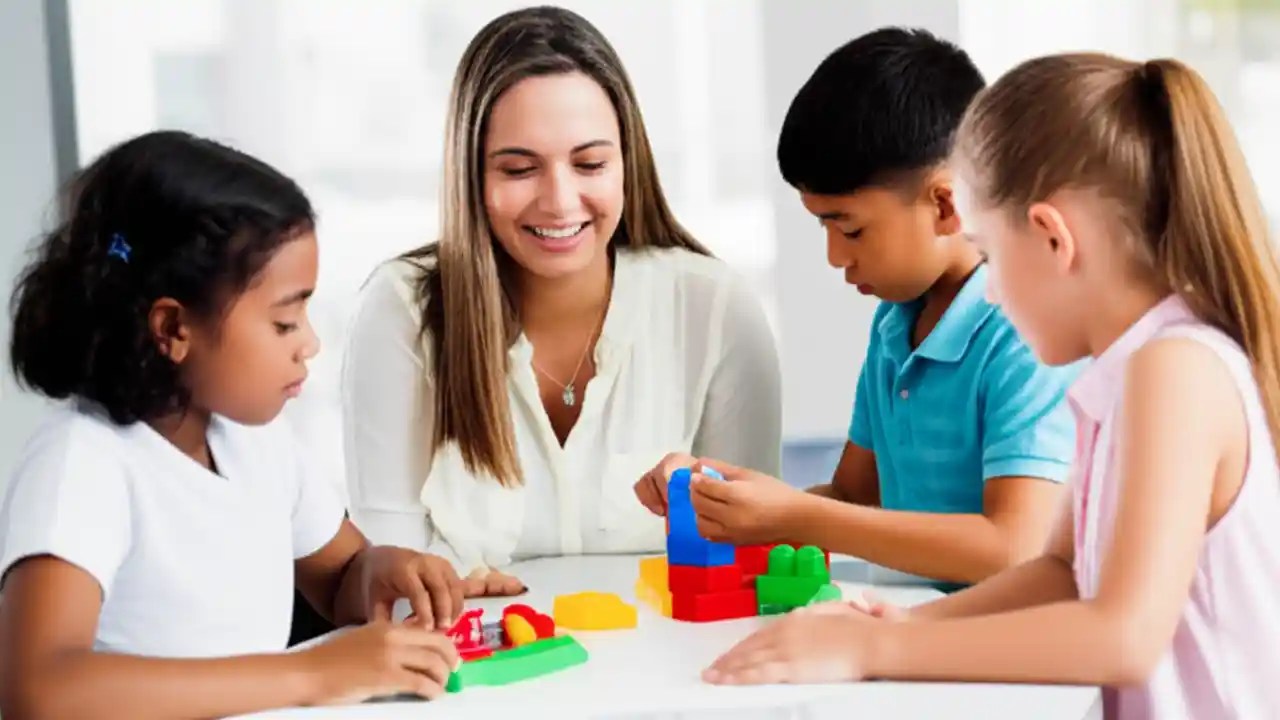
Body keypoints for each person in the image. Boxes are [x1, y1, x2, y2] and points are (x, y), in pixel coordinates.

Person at [704, 52, 1280, 719]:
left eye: (991, 251)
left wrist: (874, 652)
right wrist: (899, 628)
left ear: (1051, 238)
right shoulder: (1123, 373)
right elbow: (1060, 571)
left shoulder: (1174, 369)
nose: (993, 288)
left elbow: (1124, 638)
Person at [0, 131, 470, 719]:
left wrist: (385, 572)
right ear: (173, 329)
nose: (310, 344)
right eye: (283, 322)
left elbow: (340, 575)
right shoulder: (84, 463)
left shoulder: (254, 439)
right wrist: (310, 673)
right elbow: (39, 690)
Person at [341, 4, 781, 590]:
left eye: (590, 163)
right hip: (477, 669)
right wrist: (426, 589)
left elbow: (750, 555)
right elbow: (389, 573)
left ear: (628, 162)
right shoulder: (401, 312)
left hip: (676, 667)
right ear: (471, 175)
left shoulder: (715, 307)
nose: (559, 201)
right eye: (520, 169)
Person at [636, 28, 1077, 587]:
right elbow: (851, 498)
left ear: (947, 204)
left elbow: (1014, 549)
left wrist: (797, 515)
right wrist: (727, 500)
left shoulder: (1025, 335)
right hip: (917, 633)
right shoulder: (897, 325)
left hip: (1009, 655)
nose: (834, 256)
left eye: (850, 227)